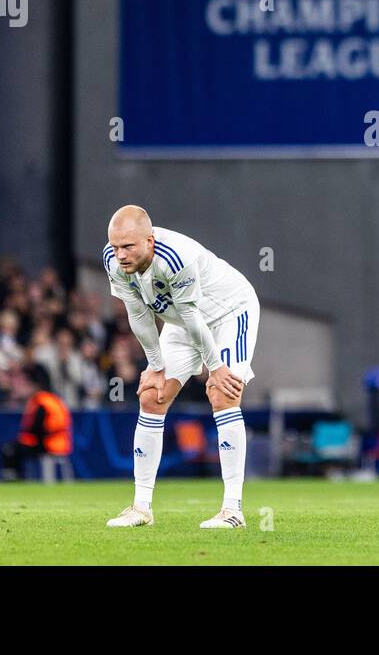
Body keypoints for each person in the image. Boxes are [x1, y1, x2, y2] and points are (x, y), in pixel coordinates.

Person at [103, 206, 259, 530]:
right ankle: (141, 508)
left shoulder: (175, 257)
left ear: (150, 240)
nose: (120, 254)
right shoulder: (113, 261)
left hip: (229, 312)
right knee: (151, 395)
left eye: (128, 246)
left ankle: (233, 510)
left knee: (222, 392)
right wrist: (156, 366)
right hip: (183, 320)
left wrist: (215, 368)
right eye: (115, 246)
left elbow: (192, 317)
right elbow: (138, 313)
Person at [0, 368, 73, 480]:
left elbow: (38, 428)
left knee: (9, 449)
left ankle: (14, 480)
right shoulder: (54, 399)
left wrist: (26, 434)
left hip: (47, 443)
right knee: (18, 447)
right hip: (62, 443)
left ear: (35, 385)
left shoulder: (41, 402)